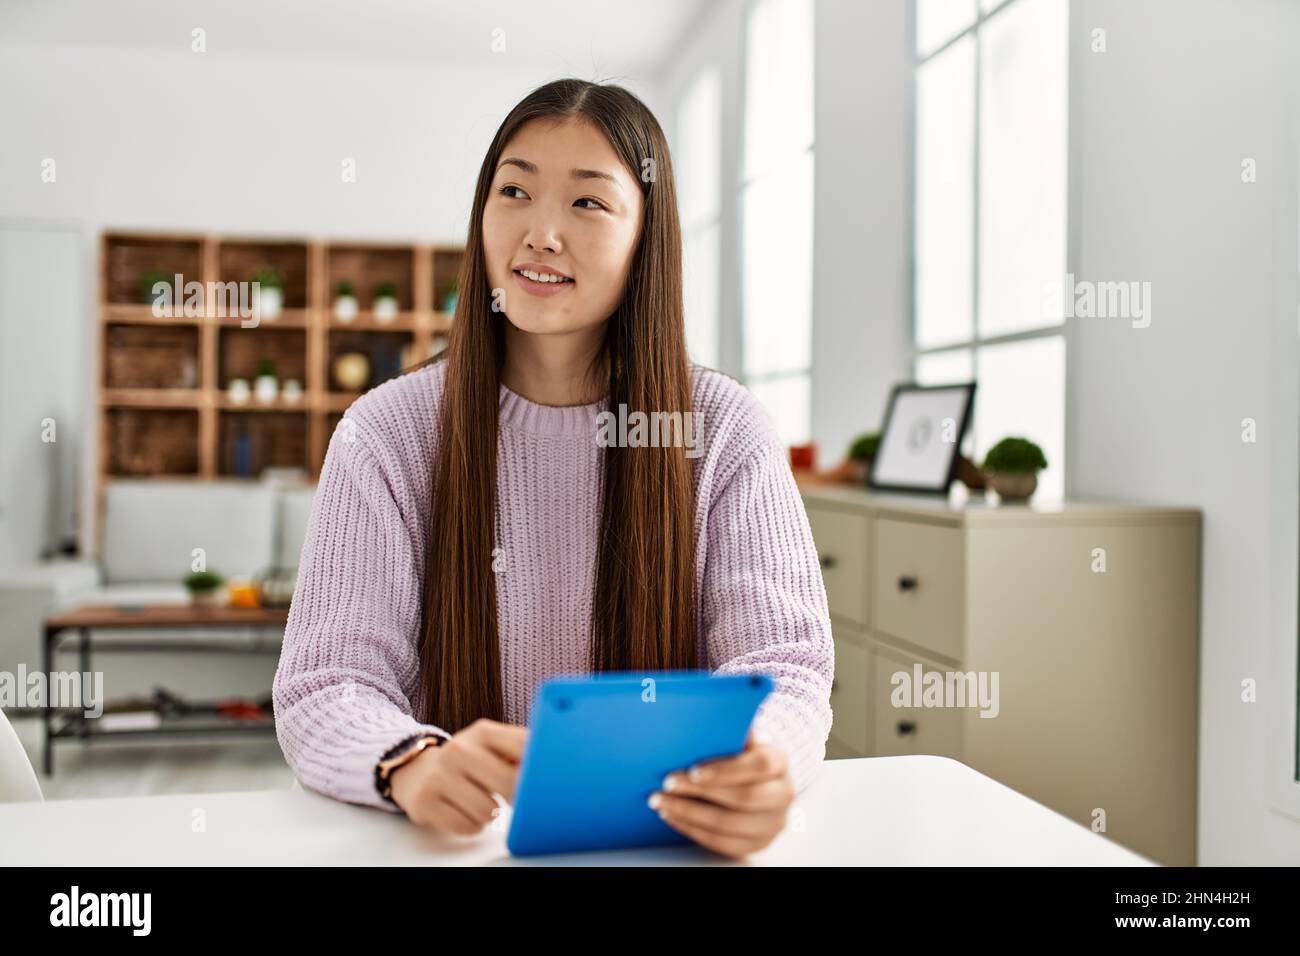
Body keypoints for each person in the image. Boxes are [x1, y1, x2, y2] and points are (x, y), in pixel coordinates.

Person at [273, 78, 833, 859]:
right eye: (514, 191)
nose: (540, 233)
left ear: (648, 237)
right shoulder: (385, 432)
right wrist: (407, 762)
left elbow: (786, 665)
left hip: (662, 845)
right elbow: (327, 680)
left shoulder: (724, 430)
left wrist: (761, 761)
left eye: (587, 203)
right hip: (456, 848)